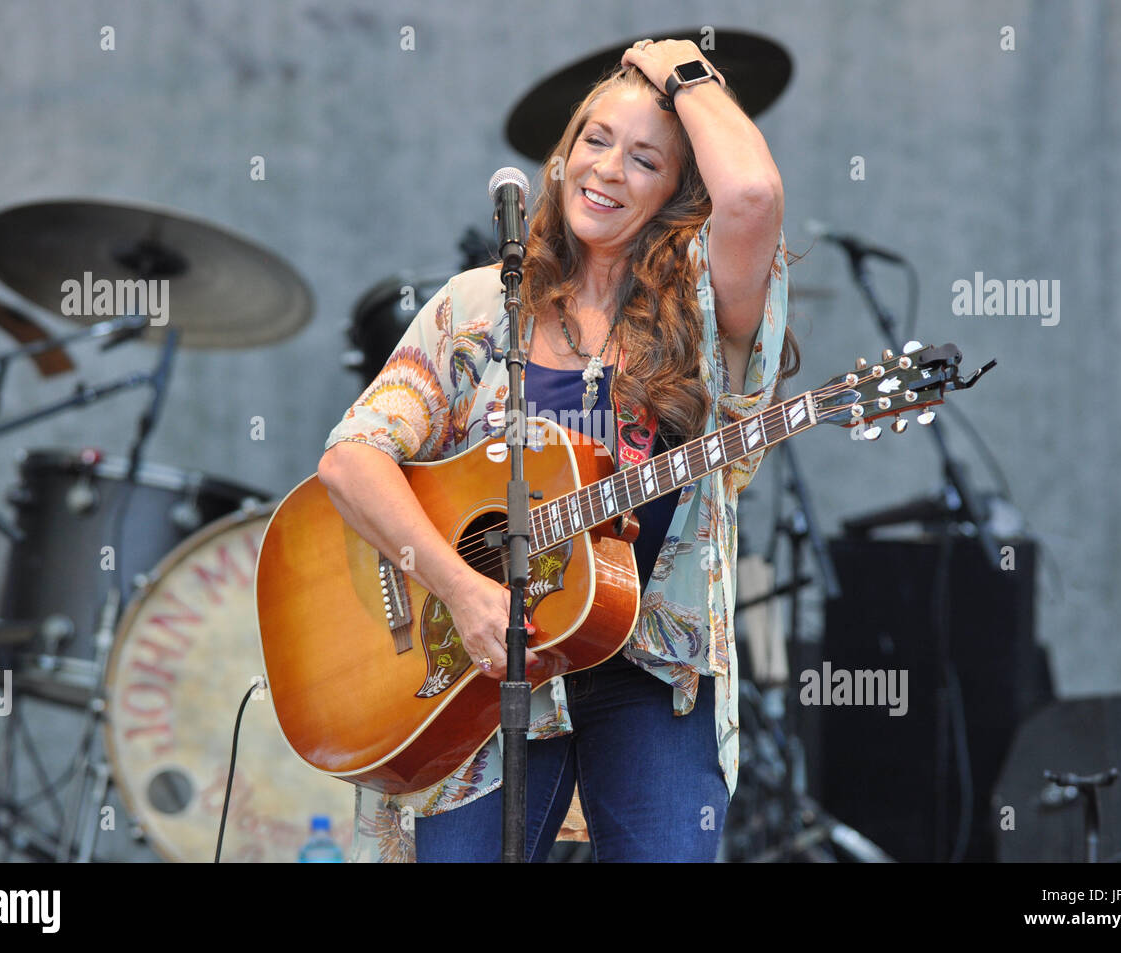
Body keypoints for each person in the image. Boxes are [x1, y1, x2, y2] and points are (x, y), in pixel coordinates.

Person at [318, 37, 796, 862]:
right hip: (482, 667)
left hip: (650, 670)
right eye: (595, 141)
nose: (608, 169)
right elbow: (349, 459)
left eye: (645, 159)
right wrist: (461, 589)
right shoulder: (477, 308)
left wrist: (683, 68)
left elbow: (751, 193)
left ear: (677, 192)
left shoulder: (702, 317)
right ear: (563, 156)